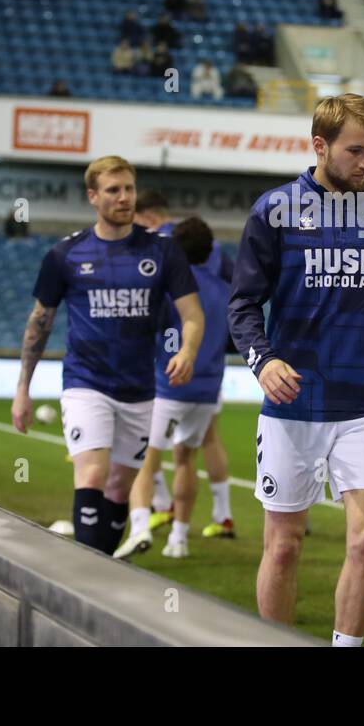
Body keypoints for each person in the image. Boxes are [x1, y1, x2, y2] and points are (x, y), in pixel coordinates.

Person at [227, 94, 364, 647]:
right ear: (319, 145)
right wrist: (262, 358)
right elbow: (243, 304)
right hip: (293, 406)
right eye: (354, 151)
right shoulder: (274, 210)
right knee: (284, 544)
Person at [11, 156, 203, 555]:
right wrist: (22, 389)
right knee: (94, 474)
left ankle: (98, 568)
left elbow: (192, 315)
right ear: (93, 196)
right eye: (113, 190)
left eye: (129, 189)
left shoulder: (163, 252)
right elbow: (39, 323)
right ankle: (87, 582)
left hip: (139, 388)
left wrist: (187, 350)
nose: (123, 197)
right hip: (86, 383)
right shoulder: (65, 255)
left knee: (120, 486)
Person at [114, 217, 232, 559]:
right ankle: (178, 539)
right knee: (186, 461)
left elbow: (147, 330)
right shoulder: (224, 290)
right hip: (208, 389)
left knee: (145, 460)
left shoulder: (171, 288)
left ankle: (138, 529)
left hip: (169, 385)